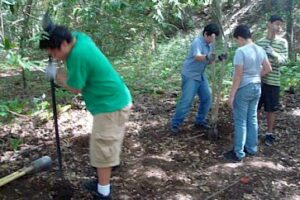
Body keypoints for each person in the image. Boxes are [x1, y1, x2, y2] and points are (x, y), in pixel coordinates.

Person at [40, 24, 132, 200]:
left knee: (102, 151)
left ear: (64, 44)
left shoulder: (78, 56)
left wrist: (56, 74)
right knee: (103, 147)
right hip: (110, 101)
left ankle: (103, 193)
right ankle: (101, 181)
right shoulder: (78, 38)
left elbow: (75, 87)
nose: (53, 56)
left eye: (53, 52)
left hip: (111, 107)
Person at [223, 24, 272, 162]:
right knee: (252, 118)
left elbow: (238, 75)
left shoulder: (241, 51)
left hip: (243, 88)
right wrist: (256, 76)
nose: (237, 43)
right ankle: (251, 148)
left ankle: (238, 152)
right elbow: (268, 68)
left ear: (240, 37)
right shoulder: (260, 49)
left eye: (236, 40)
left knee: (240, 121)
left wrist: (231, 96)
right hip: (257, 86)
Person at [170, 23, 226, 134]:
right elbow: (198, 56)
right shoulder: (197, 42)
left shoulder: (210, 44)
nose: (212, 40)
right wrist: (207, 57)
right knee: (186, 101)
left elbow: (209, 61)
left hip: (200, 74)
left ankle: (200, 121)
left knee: (207, 98)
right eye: (211, 38)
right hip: (190, 74)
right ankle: (175, 124)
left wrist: (219, 58)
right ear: (206, 34)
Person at [256, 15, 288, 146]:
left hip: (273, 81)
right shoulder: (260, 42)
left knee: (271, 109)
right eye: (276, 24)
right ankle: (255, 131)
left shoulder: (283, 42)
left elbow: (285, 61)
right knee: (256, 107)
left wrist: (274, 53)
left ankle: (269, 133)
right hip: (259, 80)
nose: (278, 27)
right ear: (269, 24)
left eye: (280, 25)